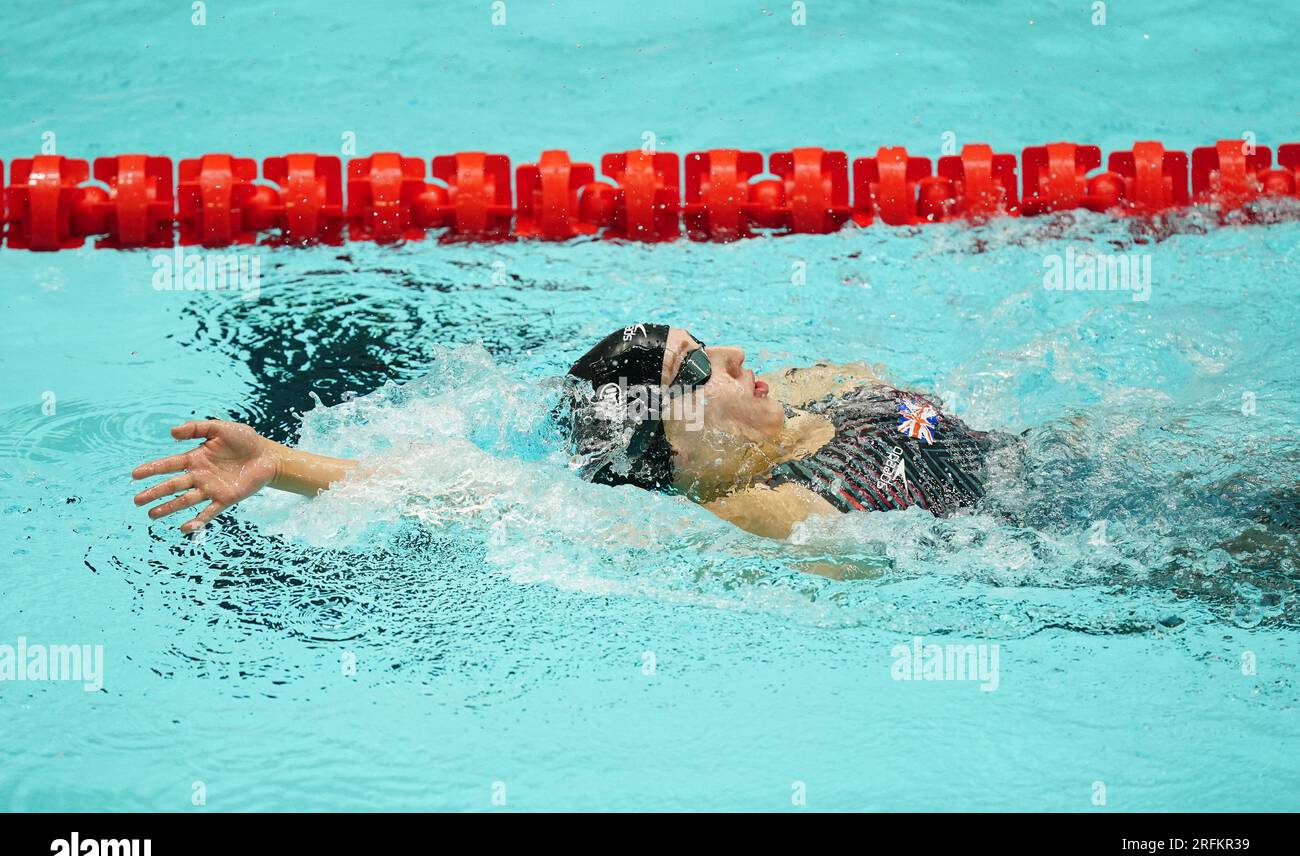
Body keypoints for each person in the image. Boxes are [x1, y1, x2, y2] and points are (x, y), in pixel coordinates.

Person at [132, 323, 998, 539]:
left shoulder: (804, 394)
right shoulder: (761, 512)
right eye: (695, 374)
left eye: (706, 348)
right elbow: (477, 494)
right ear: (678, 450)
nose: (734, 355)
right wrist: (281, 465)